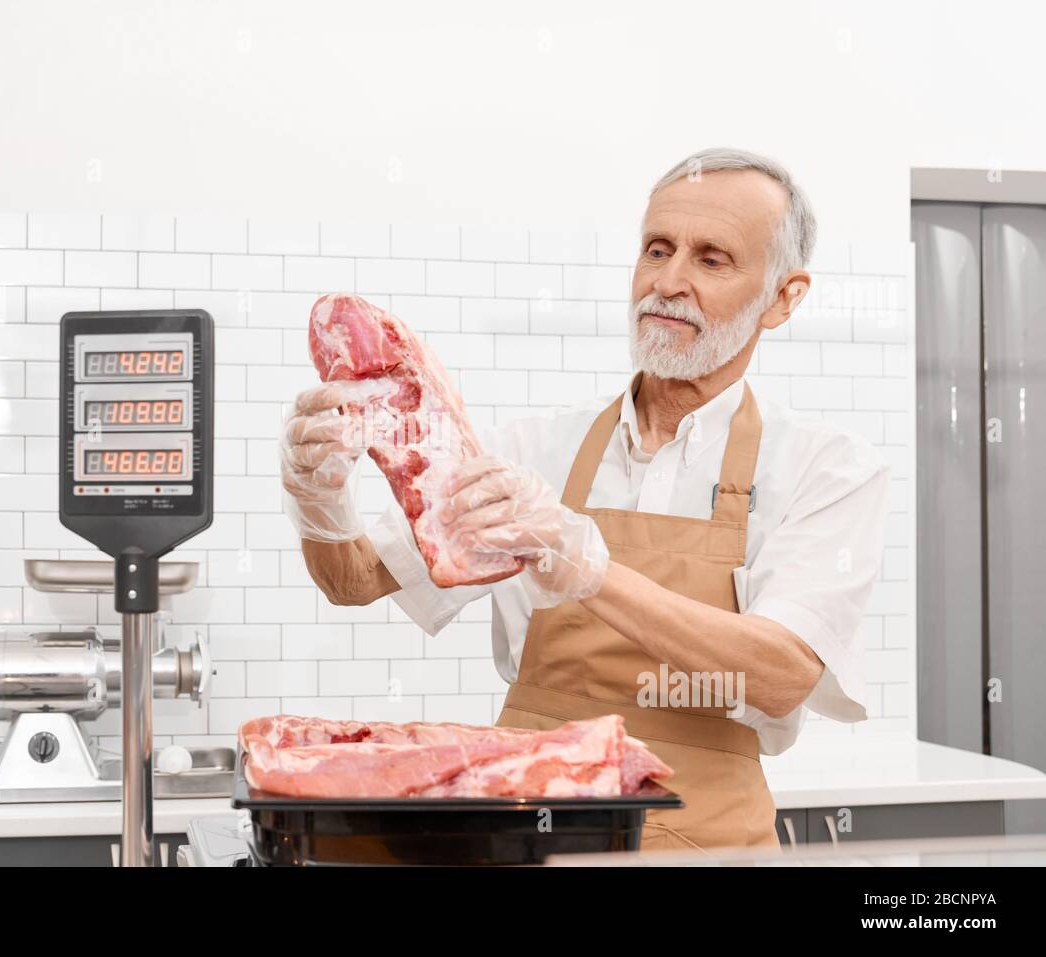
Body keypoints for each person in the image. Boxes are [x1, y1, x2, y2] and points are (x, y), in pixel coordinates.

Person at [280, 147, 888, 850]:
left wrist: (587, 568)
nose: (669, 281)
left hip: (709, 845)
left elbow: (782, 675)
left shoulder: (826, 468)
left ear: (784, 296)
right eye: (656, 249)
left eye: (712, 259)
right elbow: (355, 580)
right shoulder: (535, 447)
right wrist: (318, 496)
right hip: (530, 838)